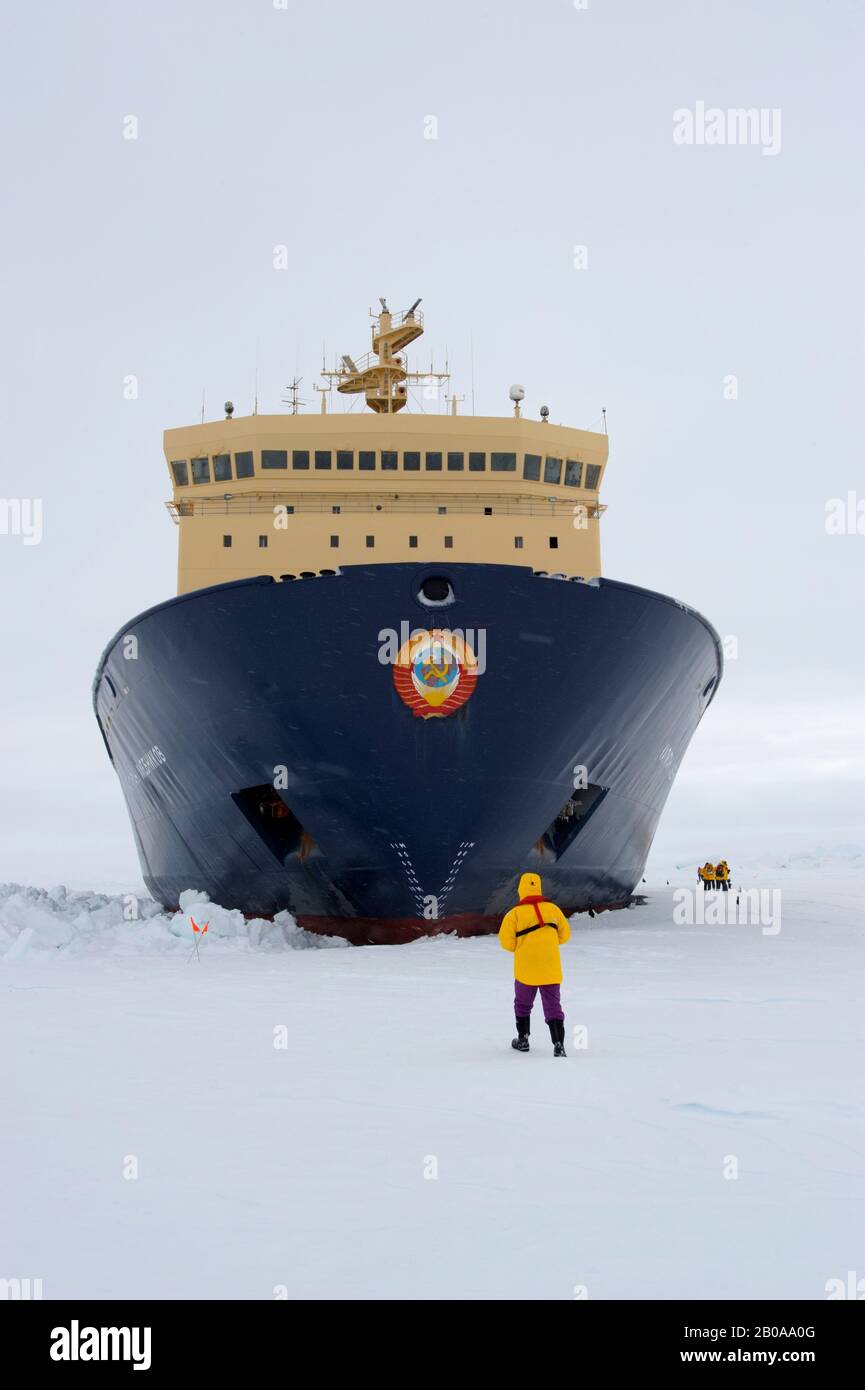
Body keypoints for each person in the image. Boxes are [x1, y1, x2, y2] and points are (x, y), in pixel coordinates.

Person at [498, 872, 571, 1057]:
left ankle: (523, 1039)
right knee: (553, 1006)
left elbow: (506, 943)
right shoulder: (554, 910)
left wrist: (523, 945)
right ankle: (558, 1045)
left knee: (522, 1004)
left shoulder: (514, 914)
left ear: (521, 890)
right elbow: (565, 936)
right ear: (539, 887)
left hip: (526, 969)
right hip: (550, 968)